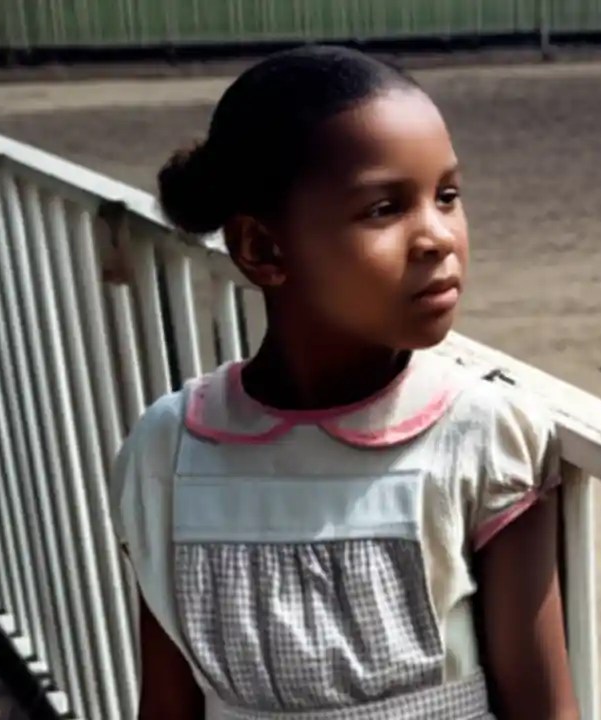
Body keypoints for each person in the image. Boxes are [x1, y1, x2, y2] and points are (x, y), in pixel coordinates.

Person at [109, 46, 577, 720]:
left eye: (447, 196)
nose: (437, 237)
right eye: (385, 209)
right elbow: (166, 702)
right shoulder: (169, 451)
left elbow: (543, 708)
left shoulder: (481, 433)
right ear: (262, 249)